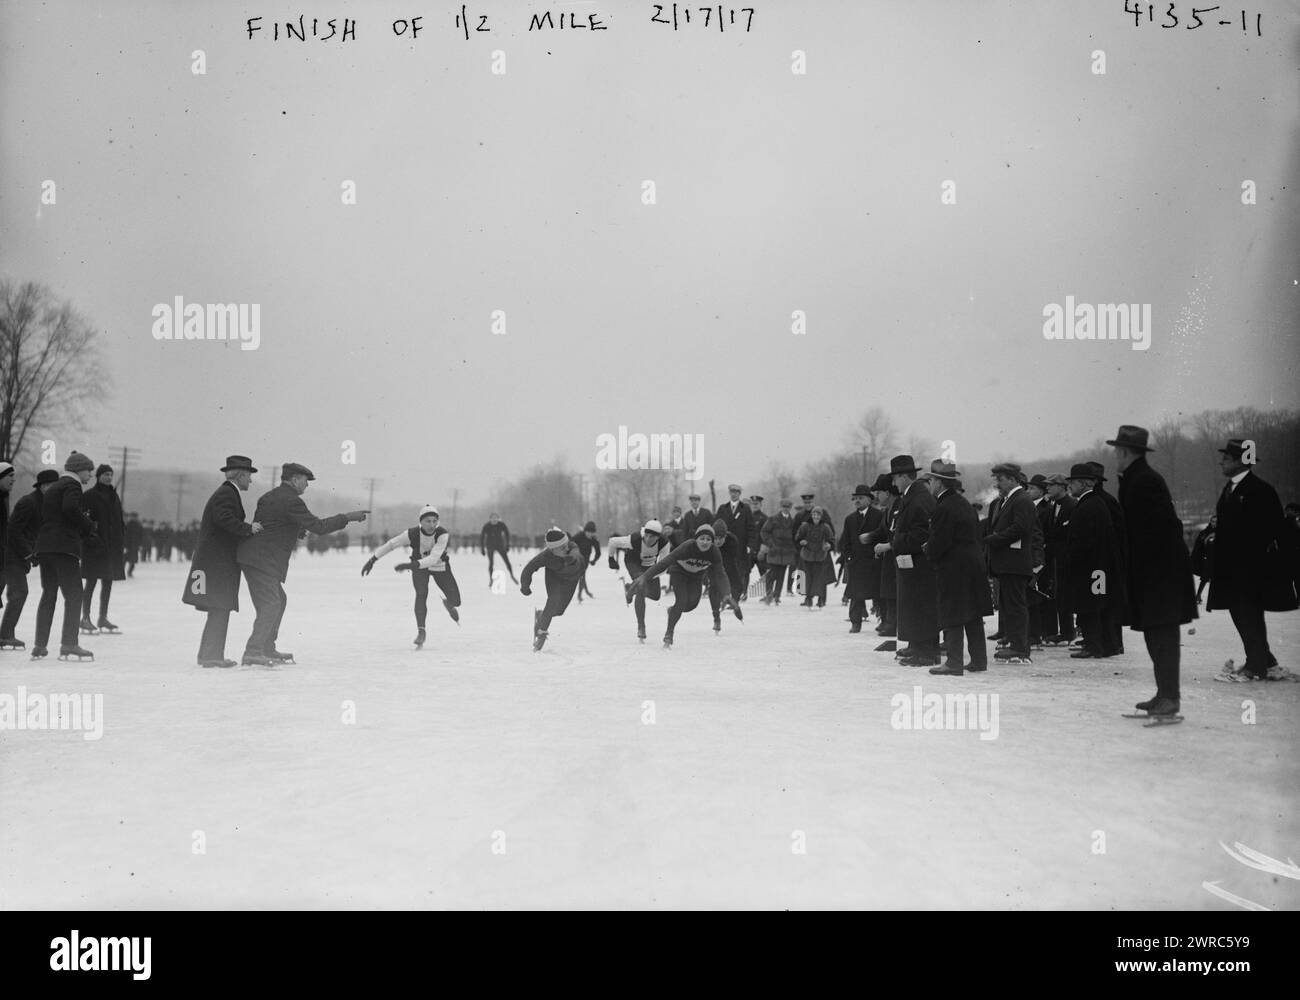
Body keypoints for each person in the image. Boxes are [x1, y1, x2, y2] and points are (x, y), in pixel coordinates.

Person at [236, 463, 369, 666]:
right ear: (295, 479)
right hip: (263, 559)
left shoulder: (268, 497)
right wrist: (347, 517)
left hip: (254, 556)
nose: (307, 486)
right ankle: (253, 651)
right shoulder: (292, 501)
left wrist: (295, 529)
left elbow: (270, 522)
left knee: (278, 600)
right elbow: (319, 527)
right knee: (272, 604)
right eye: (306, 481)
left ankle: (266, 649)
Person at [1109, 425, 1199, 716]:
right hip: (1154, 572)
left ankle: (1170, 697)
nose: (1115, 457)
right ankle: (1164, 693)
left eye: (1117, 452)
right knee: (1155, 633)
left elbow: (1155, 531)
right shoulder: (1136, 478)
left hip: (1160, 574)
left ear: (1124, 452)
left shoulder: (1143, 481)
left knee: (1162, 634)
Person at [1206, 437, 1298, 681]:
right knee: (1242, 614)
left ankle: (1256, 665)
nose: (1220, 463)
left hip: (1250, 570)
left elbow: (1270, 529)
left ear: (1240, 461)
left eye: (1225, 459)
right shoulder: (1231, 488)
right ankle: (1264, 660)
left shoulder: (1259, 490)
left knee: (1249, 615)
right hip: (1233, 569)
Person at [183, 456, 262, 667]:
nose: (251, 481)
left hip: (215, 563)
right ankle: (211, 656)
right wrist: (248, 528)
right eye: (249, 476)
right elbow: (223, 518)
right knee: (219, 607)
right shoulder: (227, 493)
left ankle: (209, 655)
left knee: (218, 608)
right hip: (217, 565)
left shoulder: (227, 492)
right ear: (241, 475)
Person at [922, 461, 992, 675]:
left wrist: (928, 549)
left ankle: (953, 662)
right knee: (972, 614)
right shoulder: (964, 504)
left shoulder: (943, 507)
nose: (929, 485)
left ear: (941, 483)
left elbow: (940, 542)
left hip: (953, 569)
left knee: (951, 613)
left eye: (931, 480)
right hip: (973, 565)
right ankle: (979, 660)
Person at [363, 505, 461, 647]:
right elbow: (391, 544)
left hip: (439, 566)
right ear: (420, 522)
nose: (432, 525)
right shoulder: (412, 534)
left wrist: (410, 566)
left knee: (457, 601)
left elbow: (433, 559)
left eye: (435, 521)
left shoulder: (442, 534)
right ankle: (421, 631)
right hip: (419, 569)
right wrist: (372, 560)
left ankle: (449, 603)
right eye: (428, 521)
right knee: (421, 594)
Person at [629, 524, 741, 647]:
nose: (705, 542)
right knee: (681, 601)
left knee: (691, 605)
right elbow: (665, 562)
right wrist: (645, 576)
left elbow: (720, 574)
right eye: (702, 538)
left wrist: (726, 594)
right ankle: (669, 634)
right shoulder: (687, 546)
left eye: (708, 539)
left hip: (696, 577)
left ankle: (673, 611)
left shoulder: (714, 552)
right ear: (696, 539)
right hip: (679, 573)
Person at [32, 451, 97, 660]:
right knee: (74, 594)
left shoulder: (54, 488)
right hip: (64, 548)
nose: (90, 476)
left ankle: (40, 645)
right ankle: (69, 643)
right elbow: (69, 508)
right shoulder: (72, 485)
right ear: (79, 470)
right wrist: (87, 526)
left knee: (48, 594)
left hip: (46, 547)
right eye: (89, 471)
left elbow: (51, 514)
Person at [877, 456, 940, 666]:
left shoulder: (918, 498)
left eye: (895, 478)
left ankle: (926, 652)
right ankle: (917, 645)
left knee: (920, 605)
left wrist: (896, 541)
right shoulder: (911, 496)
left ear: (904, 476)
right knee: (914, 605)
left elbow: (922, 534)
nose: (894, 483)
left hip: (920, 563)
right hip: (912, 563)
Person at [1063, 464, 1120, 660]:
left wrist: (1073, 560)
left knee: (1090, 606)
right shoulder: (1096, 503)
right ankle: (1107, 644)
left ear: (1083, 483)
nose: (1070, 486)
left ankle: (1093, 645)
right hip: (1100, 568)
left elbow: (1083, 541)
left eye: (1073, 482)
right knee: (1100, 604)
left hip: (1089, 568)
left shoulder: (1088, 505)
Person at [982, 462, 1037, 664]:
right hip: (1007, 563)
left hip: (1015, 563)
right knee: (1011, 606)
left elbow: (1020, 528)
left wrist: (994, 539)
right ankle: (1016, 644)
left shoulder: (1021, 499)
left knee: (1016, 606)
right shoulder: (1010, 500)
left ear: (1013, 479)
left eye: (1001, 479)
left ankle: (1020, 648)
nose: (997, 483)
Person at [1, 470, 58, 650]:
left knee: (15, 594)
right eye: (53, 486)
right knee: (19, 593)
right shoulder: (29, 502)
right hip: (11, 556)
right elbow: (14, 531)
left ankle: (5, 634)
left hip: (18, 557)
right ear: (44, 486)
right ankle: (6, 635)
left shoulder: (46, 503)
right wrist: (28, 553)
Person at [520, 528, 589, 651]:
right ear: (552, 550)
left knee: (559, 611)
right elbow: (529, 568)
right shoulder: (546, 556)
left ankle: (542, 615)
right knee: (553, 600)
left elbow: (576, 554)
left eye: (566, 545)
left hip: (572, 579)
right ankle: (541, 631)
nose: (566, 548)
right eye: (561, 548)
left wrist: (570, 559)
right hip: (554, 578)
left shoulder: (572, 548)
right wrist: (525, 586)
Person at [79, 464, 126, 634]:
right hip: (95, 546)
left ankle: (102, 617)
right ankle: (85, 617)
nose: (108, 477)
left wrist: (121, 539)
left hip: (112, 547)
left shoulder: (114, 496)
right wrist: (91, 539)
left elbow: (119, 520)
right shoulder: (89, 496)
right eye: (105, 474)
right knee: (91, 581)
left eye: (110, 475)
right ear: (98, 476)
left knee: (108, 581)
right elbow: (84, 521)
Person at [607, 518, 672, 640]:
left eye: (652, 537)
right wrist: (611, 559)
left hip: (650, 566)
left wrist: (648, 576)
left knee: (655, 595)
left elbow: (663, 566)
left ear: (658, 537)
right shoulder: (635, 539)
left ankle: (631, 588)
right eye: (646, 536)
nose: (648, 539)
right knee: (642, 588)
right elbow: (612, 542)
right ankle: (641, 626)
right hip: (633, 562)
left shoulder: (664, 543)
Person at [839, 484, 882, 634]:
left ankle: (883, 621)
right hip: (856, 562)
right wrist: (848, 556)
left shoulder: (878, 516)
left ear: (869, 500)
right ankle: (855, 623)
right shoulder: (850, 519)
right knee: (855, 595)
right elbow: (845, 541)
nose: (857, 501)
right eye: (855, 498)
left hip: (873, 561)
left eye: (861, 498)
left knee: (878, 593)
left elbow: (882, 535)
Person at [865, 474, 899, 641]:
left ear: (887, 492)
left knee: (895, 591)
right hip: (890, 559)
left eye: (878, 493)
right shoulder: (888, 510)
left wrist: (887, 545)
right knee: (889, 590)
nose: (876, 497)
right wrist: (870, 536)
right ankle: (890, 621)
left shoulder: (899, 507)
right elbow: (883, 530)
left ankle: (894, 623)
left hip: (898, 557)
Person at [713, 483, 753, 601]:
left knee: (738, 573)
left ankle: (735, 598)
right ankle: (724, 597)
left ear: (739, 494)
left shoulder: (745, 509)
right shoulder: (722, 508)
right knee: (724, 572)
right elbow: (715, 527)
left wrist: (750, 545)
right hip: (725, 548)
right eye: (732, 492)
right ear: (729, 493)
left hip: (740, 547)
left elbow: (751, 528)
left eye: (736, 492)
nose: (734, 494)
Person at [795, 506, 835, 610]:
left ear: (821, 516)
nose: (815, 516)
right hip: (807, 555)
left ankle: (821, 599)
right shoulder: (805, 526)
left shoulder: (825, 527)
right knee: (807, 578)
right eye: (814, 514)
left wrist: (828, 545)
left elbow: (831, 539)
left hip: (820, 556)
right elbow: (798, 537)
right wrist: (801, 541)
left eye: (818, 515)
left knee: (820, 579)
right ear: (811, 515)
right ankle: (808, 598)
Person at [708, 517, 745, 631]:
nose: (718, 541)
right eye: (715, 538)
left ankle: (732, 602)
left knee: (738, 585)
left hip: (729, 567)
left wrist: (727, 593)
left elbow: (731, 562)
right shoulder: (708, 541)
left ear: (726, 537)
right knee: (713, 591)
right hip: (714, 569)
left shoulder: (732, 541)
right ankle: (716, 619)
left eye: (721, 538)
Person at [759, 499, 797, 604]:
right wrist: (771, 543)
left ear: (790, 508)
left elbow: (795, 536)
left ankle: (777, 596)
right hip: (774, 551)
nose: (786, 509)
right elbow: (764, 532)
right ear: (781, 507)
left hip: (786, 553)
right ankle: (769, 594)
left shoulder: (792, 522)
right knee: (770, 575)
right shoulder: (773, 519)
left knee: (781, 575)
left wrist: (792, 548)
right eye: (784, 507)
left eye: (788, 507)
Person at [480, 513, 517, 587]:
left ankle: (512, 575)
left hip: (499, 545)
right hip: (490, 545)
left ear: (498, 519)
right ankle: (491, 579)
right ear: (490, 519)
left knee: (507, 561)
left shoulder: (501, 525)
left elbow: (507, 534)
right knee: (491, 563)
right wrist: (482, 548)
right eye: (492, 518)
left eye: (496, 518)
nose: (494, 520)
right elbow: (482, 537)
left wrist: (507, 545)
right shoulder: (487, 526)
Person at [572, 521, 601, 602]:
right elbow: (569, 543)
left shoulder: (594, 539)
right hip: (576, 558)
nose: (590, 534)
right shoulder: (579, 536)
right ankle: (580, 594)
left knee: (582, 575)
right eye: (588, 532)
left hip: (586, 560)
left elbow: (598, 552)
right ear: (585, 531)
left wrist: (594, 560)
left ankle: (584, 592)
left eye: (592, 533)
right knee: (581, 575)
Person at [1191, 515, 1217, 606]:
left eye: (1216, 521)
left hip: (1218, 560)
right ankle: (1198, 595)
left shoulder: (1223, 532)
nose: (1215, 523)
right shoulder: (1204, 532)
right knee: (1204, 578)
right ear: (1210, 522)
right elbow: (1199, 546)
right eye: (1213, 521)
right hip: (1207, 559)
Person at [747, 495, 768, 598]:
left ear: (761, 505)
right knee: (745, 572)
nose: (755, 506)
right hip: (749, 550)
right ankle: (743, 593)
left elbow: (766, 536)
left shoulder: (764, 518)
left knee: (764, 573)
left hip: (760, 551)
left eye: (757, 504)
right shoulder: (747, 517)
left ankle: (768, 594)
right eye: (753, 504)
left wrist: (763, 550)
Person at [124, 512, 143, 577]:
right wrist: (125, 545)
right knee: (124, 559)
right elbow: (125, 535)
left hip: (135, 545)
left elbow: (141, 535)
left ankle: (130, 572)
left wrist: (140, 544)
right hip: (129, 545)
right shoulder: (128, 525)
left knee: (133, 560)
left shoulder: (138, 525)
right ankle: (123, 572)